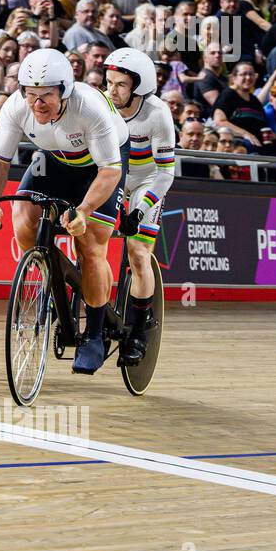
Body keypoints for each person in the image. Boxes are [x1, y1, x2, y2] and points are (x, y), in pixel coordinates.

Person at [0, 47, 129, 374]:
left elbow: (110, 172)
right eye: (31, 95)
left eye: (46, 96)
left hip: (101, 166)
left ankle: (93, 335)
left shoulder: (90, 109)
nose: (37, 104)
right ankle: (46, 279)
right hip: (54, 161)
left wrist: (85, 211)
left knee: (90, 246)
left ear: (65, 91)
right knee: (22, 219)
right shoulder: (16, 107)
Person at [104, 49, 176, 364]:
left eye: (120, 85)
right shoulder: (103, 106)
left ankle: (138, 331)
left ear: (138, 87)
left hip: (147, 181)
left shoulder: (157, 114)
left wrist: (139, 210)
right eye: (109, 83)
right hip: (114, 176)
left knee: (137, 251)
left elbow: (165, 174)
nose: (112, 91)